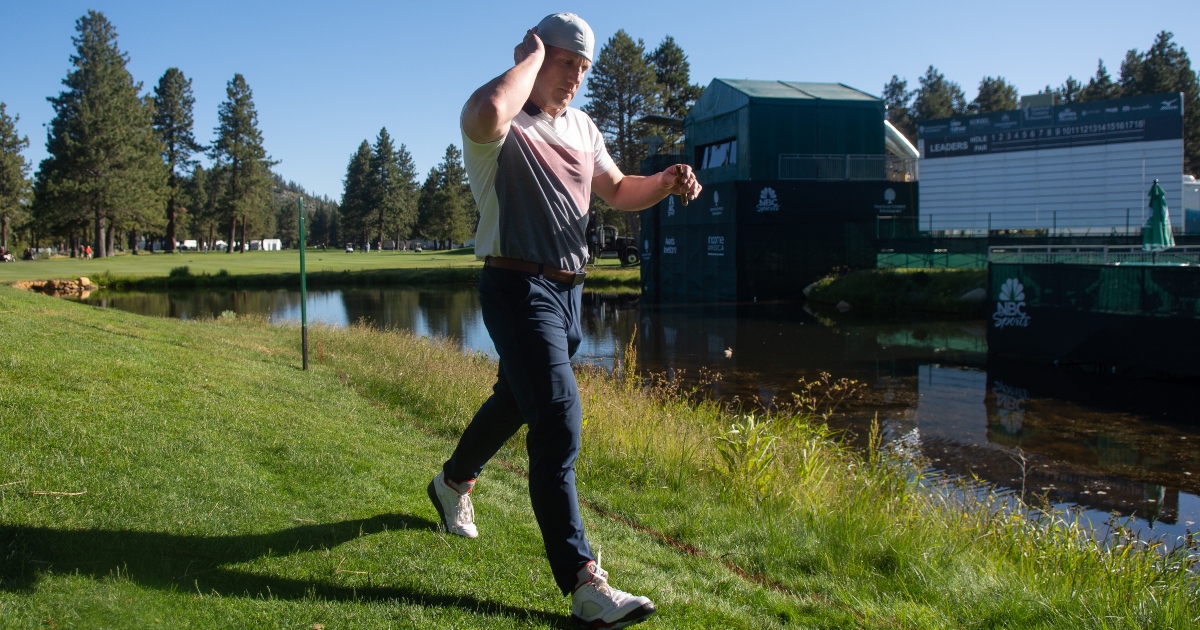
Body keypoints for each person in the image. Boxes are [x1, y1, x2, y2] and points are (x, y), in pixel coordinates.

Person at [426, 13, 698, 629]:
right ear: (538, 55)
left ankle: (452, 483)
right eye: (563, 62)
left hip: (569, 294)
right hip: (517, 286)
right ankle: (583, 584)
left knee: (515, 402)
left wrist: (666, 180)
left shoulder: (582, 128)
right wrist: (526, 59)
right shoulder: (506, 124)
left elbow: (619, 188)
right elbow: (483, 113)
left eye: (583, 67)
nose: (574, 77)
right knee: (557, 418)